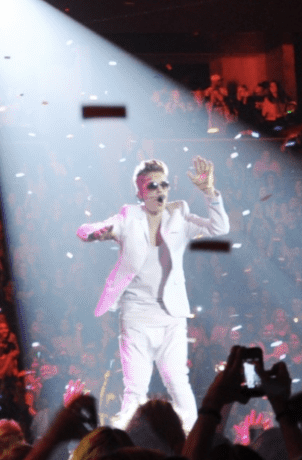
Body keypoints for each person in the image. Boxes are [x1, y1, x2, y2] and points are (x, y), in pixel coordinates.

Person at [77, 156, 229, 431]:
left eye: (163, 184)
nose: (160, 190)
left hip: (171, 315)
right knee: (135, 388)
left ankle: (194, 441)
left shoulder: (179, 214)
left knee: (178, 382)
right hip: (136, 314)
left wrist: (209, 192)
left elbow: (220, 228)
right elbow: (85, 230)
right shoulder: (128, 217)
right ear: (139, 192)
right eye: (152, 186)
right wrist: (96, 233)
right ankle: (124, 441)